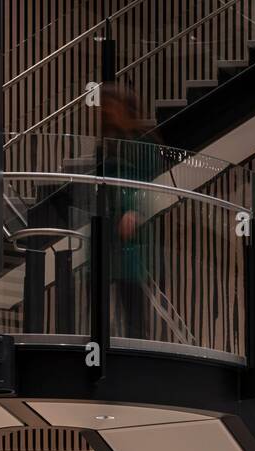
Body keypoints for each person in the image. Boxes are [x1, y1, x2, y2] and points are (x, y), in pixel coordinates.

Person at [98, 86, 158, 339]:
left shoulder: (143, 144)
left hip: (133, 240)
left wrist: (135, 210)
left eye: (112, 106)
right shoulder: (107, 145)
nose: (107, 112)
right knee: (101, 306)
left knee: (133, 309)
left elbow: (153, 184)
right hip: (107, 234)